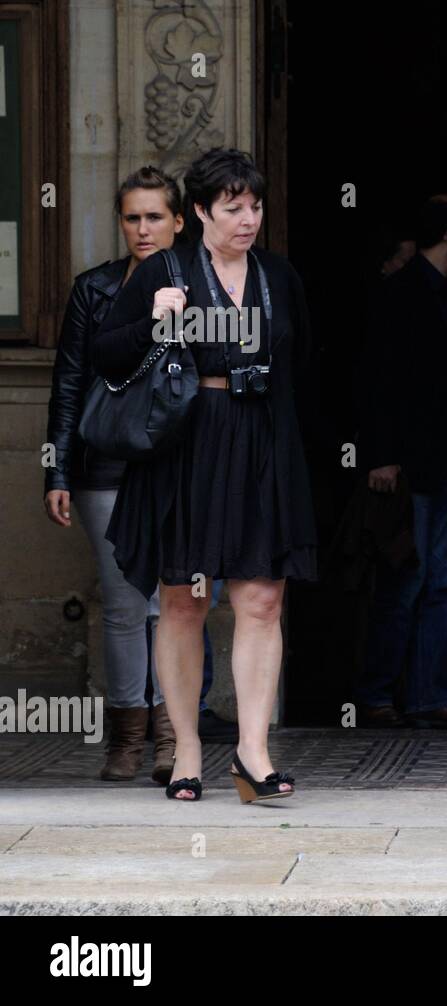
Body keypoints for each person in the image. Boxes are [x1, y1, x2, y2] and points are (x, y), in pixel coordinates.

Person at [92, 148, 317, 803]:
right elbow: (104, 352)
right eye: (232, 208)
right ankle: (186, 746)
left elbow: (304, 367)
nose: (248, 219)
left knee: (262, 599)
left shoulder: (279, 274)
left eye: (255, 206)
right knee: (184, 600)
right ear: (198, 212)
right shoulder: (165, 267)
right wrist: (152, 318)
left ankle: (253, 751)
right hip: (189, 441)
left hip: (261, 440)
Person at [44, 166, 184, 783]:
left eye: (156, 216)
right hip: (105, 460)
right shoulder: (94, 288)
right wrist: (57, 470)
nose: (144, 229)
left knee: (172, 600)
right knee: (126, 604)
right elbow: (69, 382)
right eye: (133, 217)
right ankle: (126, 737)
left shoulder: (203, 285)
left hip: (177, 461)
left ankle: (171, 735)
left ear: (180, 221)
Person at [358, 194, 447, 729]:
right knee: (405, 577)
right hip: (409, 461)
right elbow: (375, 378)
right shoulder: (400, 292)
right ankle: (374, 694)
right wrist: (382, 455)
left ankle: (430, 694)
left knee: (442, 579)